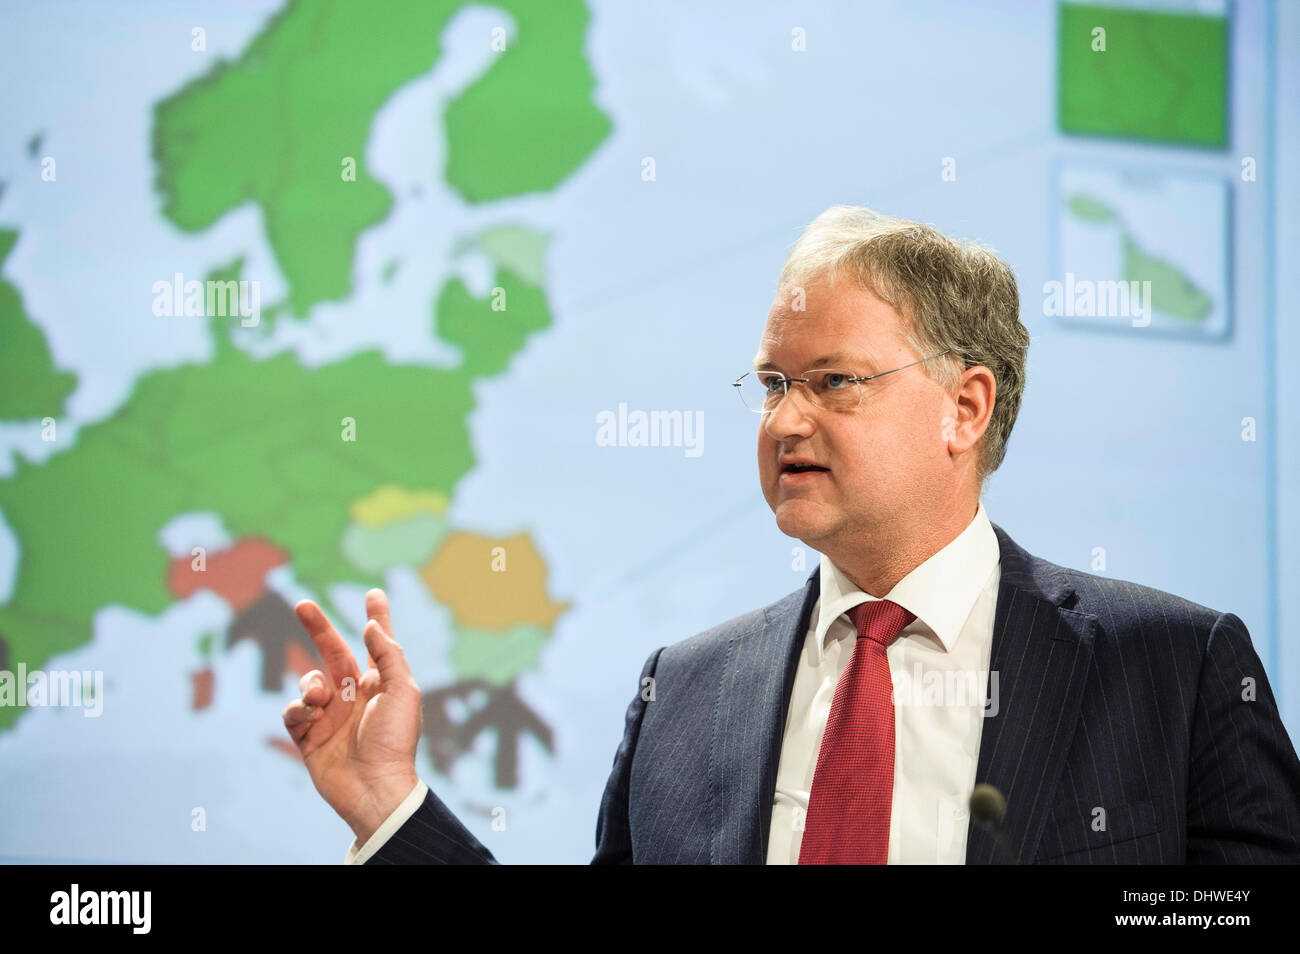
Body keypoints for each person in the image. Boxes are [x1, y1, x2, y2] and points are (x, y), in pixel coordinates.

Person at [283, 206, 1300, 864]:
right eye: (772, 385)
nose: (783, 422)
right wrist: (390, 808)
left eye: (834, 383)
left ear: (965, 407)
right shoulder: (683, 692)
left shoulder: (1171, 669)